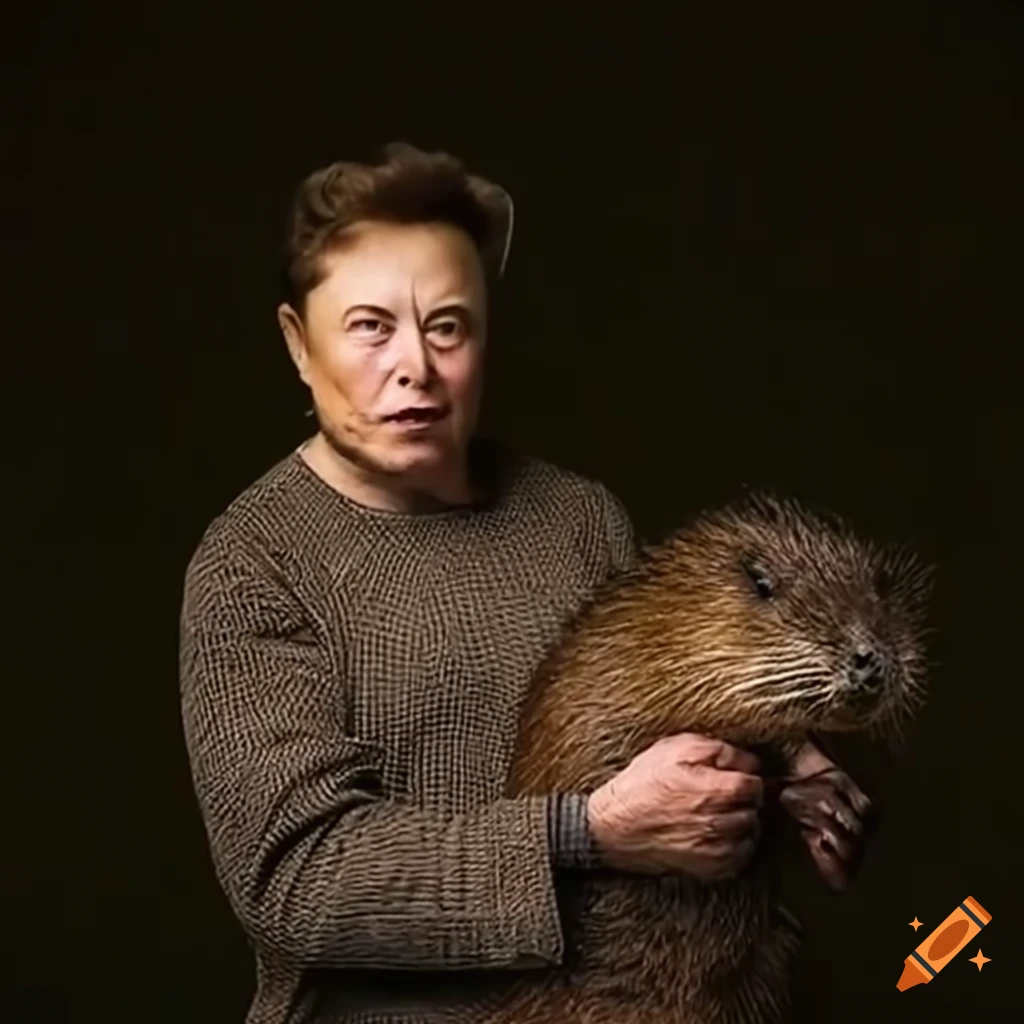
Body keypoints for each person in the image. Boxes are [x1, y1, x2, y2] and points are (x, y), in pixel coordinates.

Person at [179, 143, 871, 1024]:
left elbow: (665, 732)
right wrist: (592, 832)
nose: (414, 367)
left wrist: (787, 770)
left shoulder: (581, 517)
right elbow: (299, 881)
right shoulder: (256, 562)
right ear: (297, 343)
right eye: (369, 326)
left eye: (446, 326)